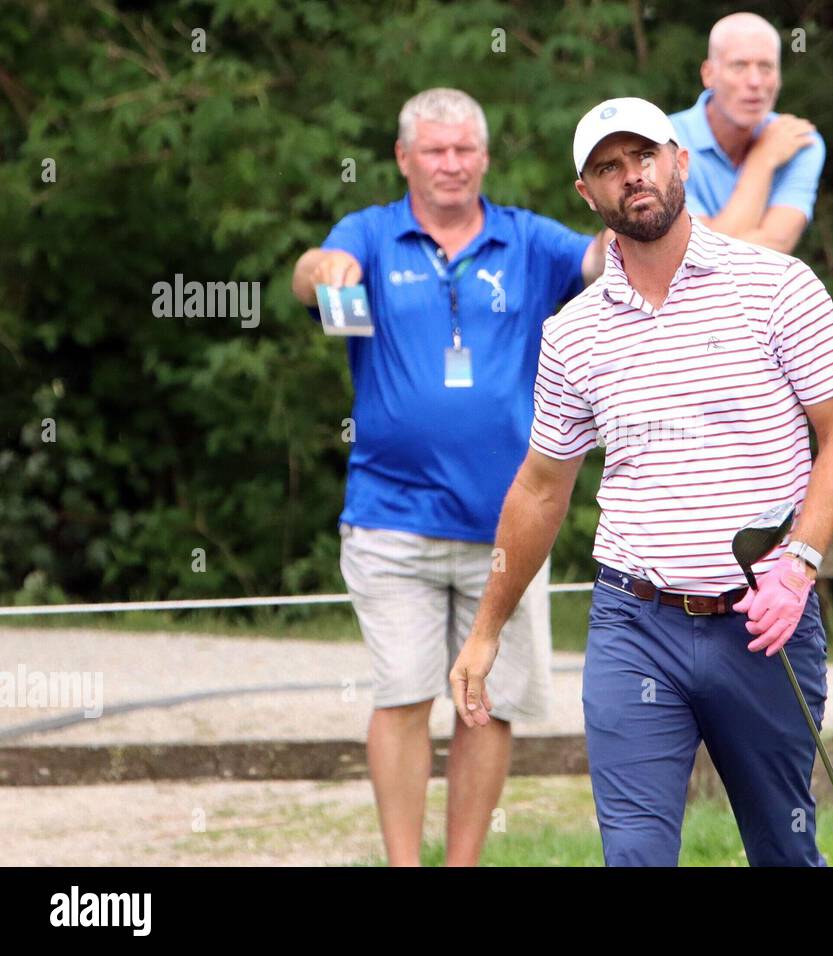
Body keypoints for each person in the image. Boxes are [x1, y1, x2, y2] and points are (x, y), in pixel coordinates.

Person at [449, 97, 833, 866]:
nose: (631, 176)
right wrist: (485, 632)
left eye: (644, 156)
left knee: (784, 847)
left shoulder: (777, 286)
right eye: (608, 166)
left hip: (762, 621)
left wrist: (802, 559)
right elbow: (541, 489)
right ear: (587, 193)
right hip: (634, 623)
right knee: (636, 856)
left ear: (680, 159)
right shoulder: (572, 332)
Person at [290, 87, 609, 866]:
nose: (451, 164)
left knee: (485, 707)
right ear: (404, 158)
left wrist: (631, 212)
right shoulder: (368, 233)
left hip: (511, 525)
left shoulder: (530, 242)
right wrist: (320, 268)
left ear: (485, 157)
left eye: (465, 149)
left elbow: (602, 263)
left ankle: (461, 864)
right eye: (435, 150)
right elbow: (312, 276)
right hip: (390, 517)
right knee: (402, 695)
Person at [667, 11, 825, 253]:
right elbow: (697, 254)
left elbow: (777, 246)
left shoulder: (800, 142)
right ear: (708, 74)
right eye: (739, 66)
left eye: (766, 67)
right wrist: (763, 160)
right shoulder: (665, 141)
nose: (754, 81)